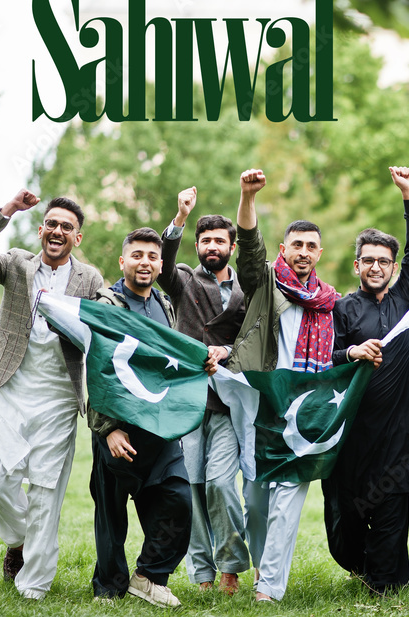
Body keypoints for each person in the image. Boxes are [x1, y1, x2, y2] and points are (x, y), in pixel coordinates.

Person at [0, 189, 103, 600]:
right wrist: (8, 209)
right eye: (52, 224)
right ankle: (20, 542)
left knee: (46, 488)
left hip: (59, 392)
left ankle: (34, 585)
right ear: (41, 230)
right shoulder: (17, 264)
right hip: (8, 385)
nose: (58, 231)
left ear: (77, 237)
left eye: (67, 227)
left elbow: (110, 318)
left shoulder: (89, 279)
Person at [226, 168, 339, 602]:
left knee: (287, 502)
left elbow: (339, 353)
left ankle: (269, 587)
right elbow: (249, 247)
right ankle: (261, 568)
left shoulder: (328, 301)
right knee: (256, 502)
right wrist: (248, 196)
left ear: (320, 253)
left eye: (311, 246)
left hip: (304, 411)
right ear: (283, 249)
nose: (303, 252)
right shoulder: (265, 283)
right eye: (297, 245)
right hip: (262, 406)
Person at [322, 165, 409, 595]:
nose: (376, 267)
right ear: (356, 265)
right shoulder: (341, 309)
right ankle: (360, 565)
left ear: (394, 267)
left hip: (399, 432)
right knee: (344, 518)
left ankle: (386, 584)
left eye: (384, 261)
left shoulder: (405, 300)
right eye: (369, 260)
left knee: (392, 509)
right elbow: (324, 359)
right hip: (351, 433)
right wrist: (352, 352)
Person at [88, 227, 196, 608]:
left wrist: (200, 364)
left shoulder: (165, 304)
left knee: (179, 499)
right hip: (117, 428)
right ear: (123, 261)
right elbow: (96, 368)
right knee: (111, 514)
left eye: (152, 256)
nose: (145, 262)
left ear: (161, 264)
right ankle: (108, 587)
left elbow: (169, 362)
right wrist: (108, 430)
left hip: (159, 429)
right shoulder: (107, 304)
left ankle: (149, 577)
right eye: (137, 255)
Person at [157, 187, 249, 595]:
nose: (212, 246)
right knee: (192, 487)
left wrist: (225, 351)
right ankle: (203, 574)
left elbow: (251, 339)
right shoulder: (182, 281)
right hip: (188, 399)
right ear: (197, 246)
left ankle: (231, 565)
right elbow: (163, 264)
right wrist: (180, 217)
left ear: (231, 247)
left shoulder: (248, 289)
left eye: (219, 241)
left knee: (221, 484)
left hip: (228, 401)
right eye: (206, 240)